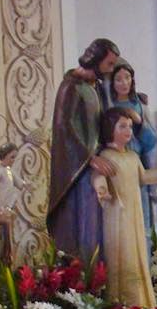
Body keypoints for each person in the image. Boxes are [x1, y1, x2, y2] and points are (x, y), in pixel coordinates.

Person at [91, 107, 157, 309]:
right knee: (120, 255)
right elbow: (98, 176)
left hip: (135, 214)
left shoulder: (132, 156)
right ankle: (121, 304)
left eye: (130, 126)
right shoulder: (106, 156)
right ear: (109, 129)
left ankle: (141, 302)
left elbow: (144, 177)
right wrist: (101, 190)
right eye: (122, 126)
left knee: (137, 252)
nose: (128, 131)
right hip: (116, 214)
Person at [49, 38, 120, 262]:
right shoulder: (71, 86)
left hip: (93, 166)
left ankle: (96, 275)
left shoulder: (95, 87)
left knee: (96, 226)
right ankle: (82, 279)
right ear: (96, 59)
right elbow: (64, 126)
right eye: (108, 64)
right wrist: (89, 158)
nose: (110, 70)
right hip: (77, 171)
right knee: (81, 225)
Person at [110, 59, 157, 242]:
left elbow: (151, 140)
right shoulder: (107, 104)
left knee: (140, 215)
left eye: (127, 78)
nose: (124, 83)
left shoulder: (140, 105)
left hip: (136, 161)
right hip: (115, 162)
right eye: (118, 79)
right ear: (111, 82)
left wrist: (139, 124)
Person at [0, 142, 19, 265]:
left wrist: (25, 184)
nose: (13, 160)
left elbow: (17, 180)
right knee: (1, 236)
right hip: (0, 202)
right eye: (12, 157)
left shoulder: (8, 170)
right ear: (4, 156)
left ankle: (7, 255)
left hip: (8, 203)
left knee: (8, 232)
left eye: (15, 157)